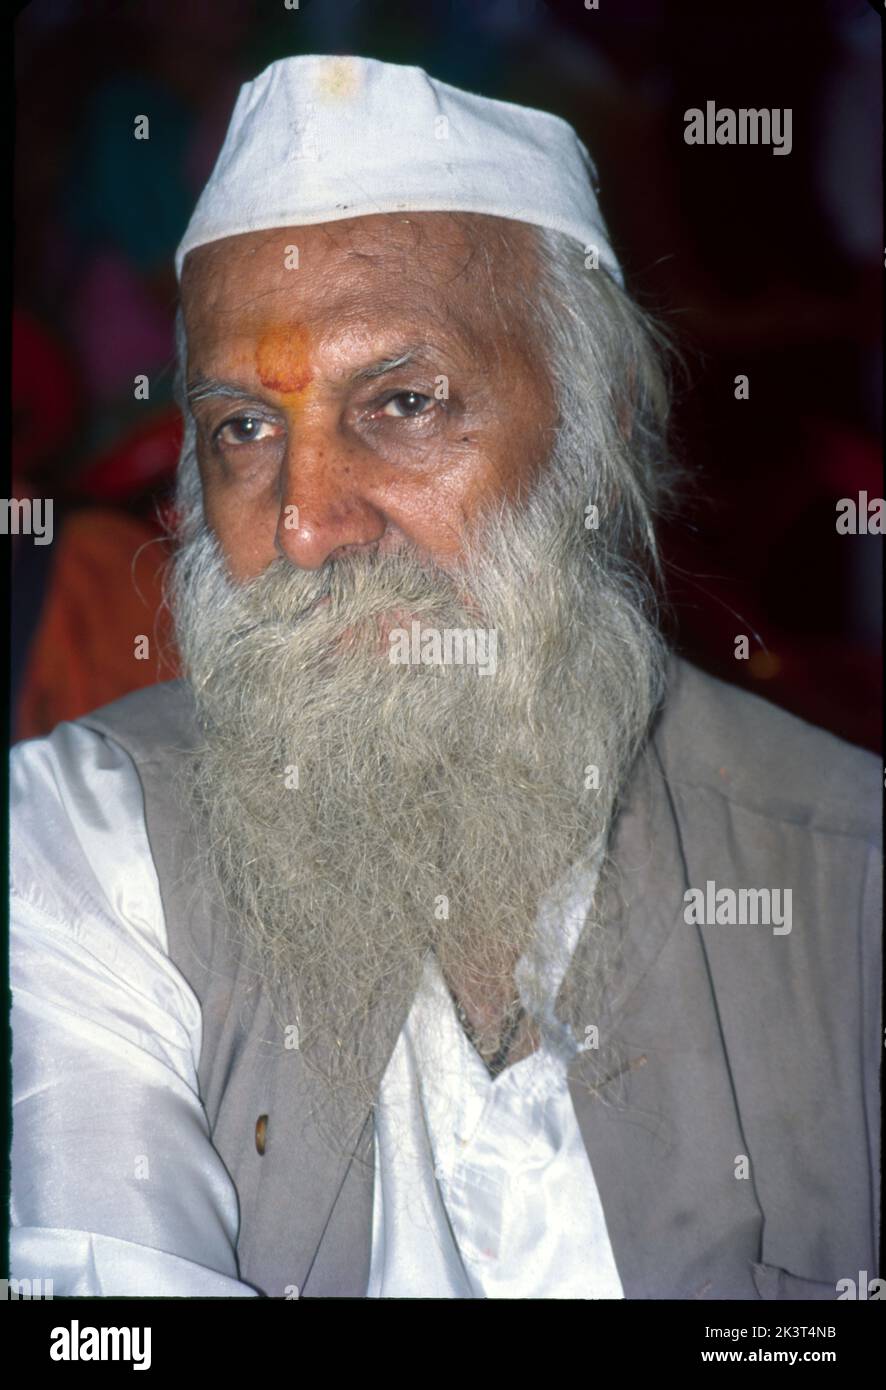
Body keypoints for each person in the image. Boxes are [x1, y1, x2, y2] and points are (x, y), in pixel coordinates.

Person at [10, 54, 880, 1300]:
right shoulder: (85, 837)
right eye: (244, 430)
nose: (306, 524)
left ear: (603, 425)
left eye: (404, 403)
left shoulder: (848, 877)